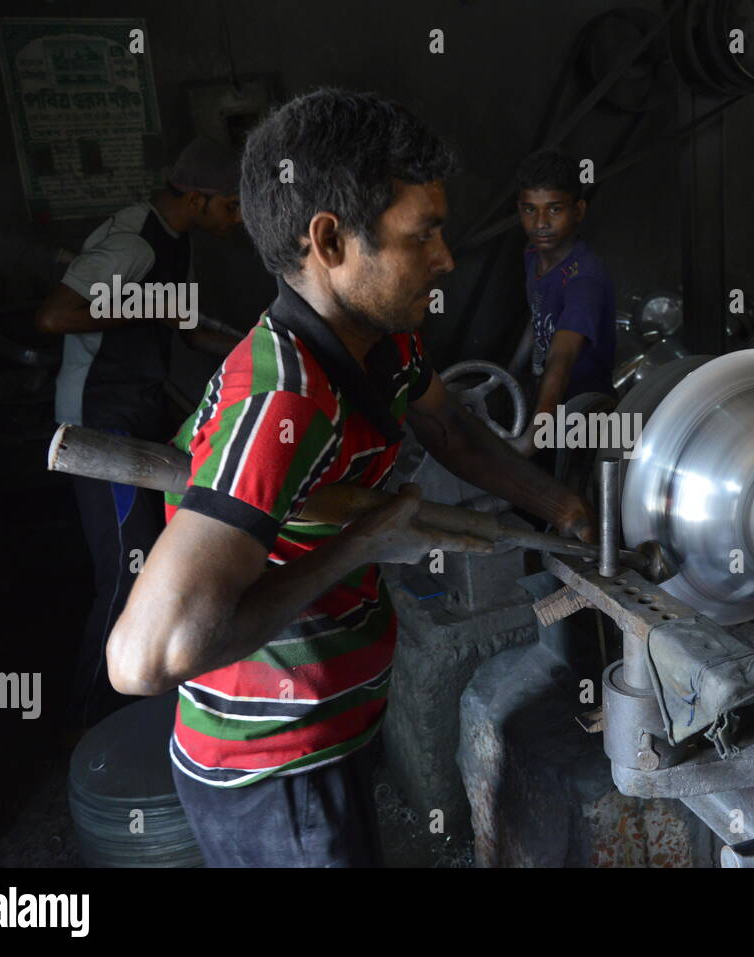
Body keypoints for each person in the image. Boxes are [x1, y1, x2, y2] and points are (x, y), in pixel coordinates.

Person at [104, 89, 595, 867]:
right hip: (269, 772)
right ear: (330, 241)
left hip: (329, 739)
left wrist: (561, 505)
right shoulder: (282, 404)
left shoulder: (386, 343)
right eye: (422, 233)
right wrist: (362, 540)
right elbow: (143, 658)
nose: (446, 258)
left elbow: (449, 427)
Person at [35, 137, 244, 734]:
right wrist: (143, 309)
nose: (235, 218)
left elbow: (190, 331)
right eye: (229, 205)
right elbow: (53, 316)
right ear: (199, 199)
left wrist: (266, 345)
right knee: (125, 573)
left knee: (153, 562)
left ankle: (140, 709)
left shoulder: (177, 242)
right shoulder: (132, 243)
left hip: (136, 411)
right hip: (94, 425)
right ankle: (90, 726)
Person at [509, 148, 616, 457]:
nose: (540, 223)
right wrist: (513, 373)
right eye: (530, 210)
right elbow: (538, 312)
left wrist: (533, 438)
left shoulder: (585, 280)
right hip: (544, 400)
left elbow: (563, 357)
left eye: (554, 210)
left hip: (586, 414)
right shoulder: (532, 254)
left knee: (570, 490)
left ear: (578, 211)